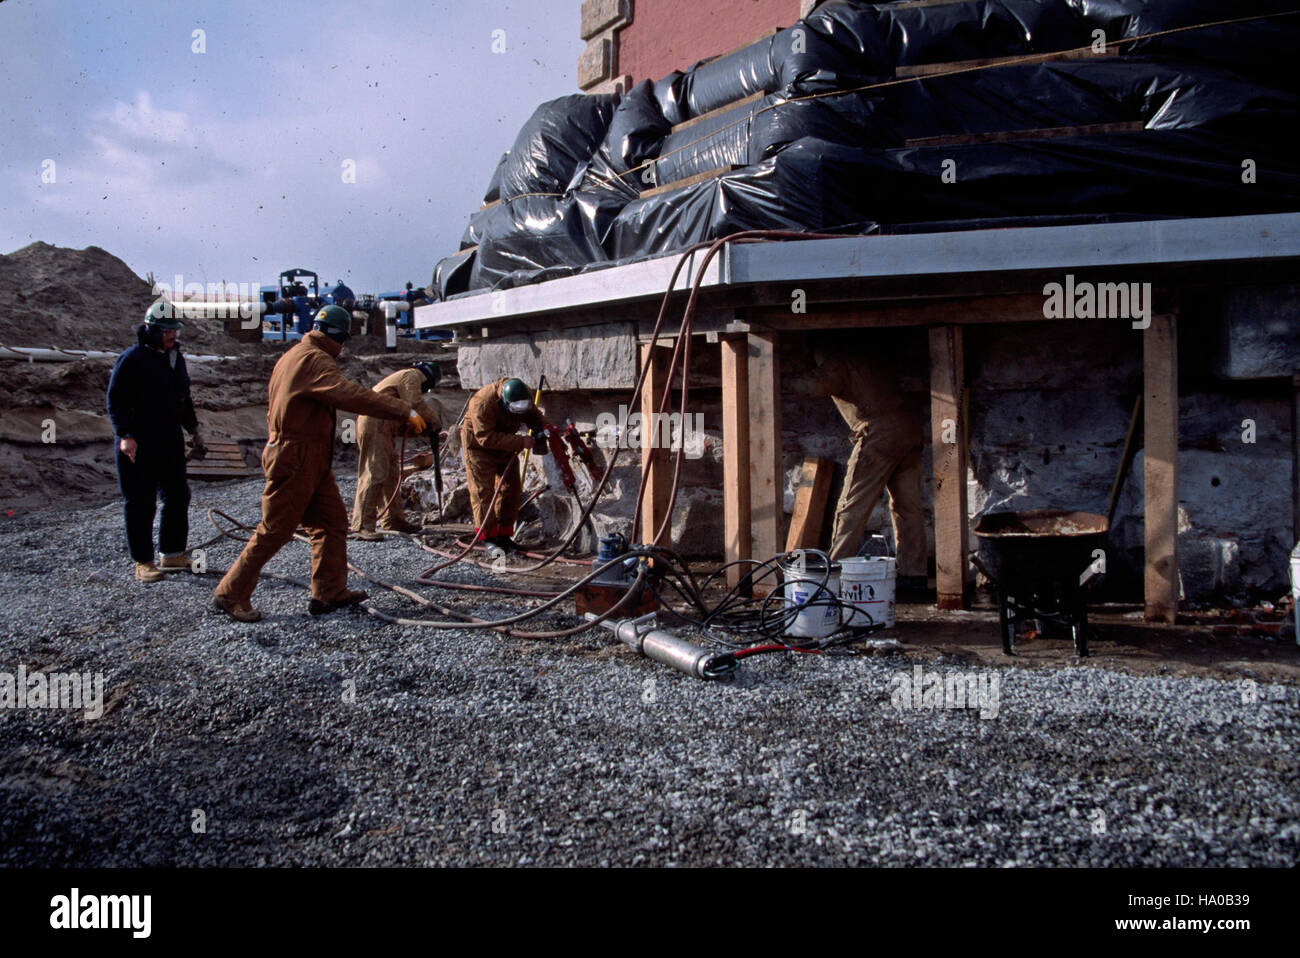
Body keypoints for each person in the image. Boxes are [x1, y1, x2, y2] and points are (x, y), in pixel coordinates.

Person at [212, 305, 427, 622]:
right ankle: (230, 593)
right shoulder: (313, 358)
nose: (343, 349)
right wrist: (401, 410)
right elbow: (346, 393)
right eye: (344, 341)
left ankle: (328, 593)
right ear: (338, 337)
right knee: (275, 529)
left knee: (331, 523)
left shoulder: (295, 354)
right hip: (296, 456)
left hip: (309, 457)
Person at [812, 339, 927, 590]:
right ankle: (914, 575)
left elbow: (816, 385)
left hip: (880, 434)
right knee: (908, 507)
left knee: (853, 504)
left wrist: (778, 379)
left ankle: (835, 576)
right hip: (909, 428)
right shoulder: (871, 356)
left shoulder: (837, 361)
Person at [106, 301, 206, 582]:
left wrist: (194, 429)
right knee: (140, 501)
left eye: (174, 330)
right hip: (138, 440)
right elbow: (116, 401)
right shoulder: (131, 359)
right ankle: (143, 562)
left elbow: (183, 399)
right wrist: (125, 435)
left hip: (169, 438)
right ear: (151, 330)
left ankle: (172, 553)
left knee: (177, 494)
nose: (172, 336)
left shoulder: (176, 359)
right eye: (166, 331)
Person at [351, 361, 444, 539]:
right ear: (428, 378)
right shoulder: (412, 376)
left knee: (391, 474)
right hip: (375, 424)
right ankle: (362, 524)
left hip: (384, 428)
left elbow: (403, 413)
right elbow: (415, 402)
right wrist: (433, 420)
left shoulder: (402, 381)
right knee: (374, 472)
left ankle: (393, 520)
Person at [461, 377, 546, 554]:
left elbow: (533, 415)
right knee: (483, 491)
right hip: (478, 447)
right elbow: (485, 437)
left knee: (511, 487)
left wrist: (542, 428)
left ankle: (504, 534)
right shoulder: (482, 403)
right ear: (504, 402)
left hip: (505, 444)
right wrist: (520, 441)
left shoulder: (523, 397)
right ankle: (488, 537)